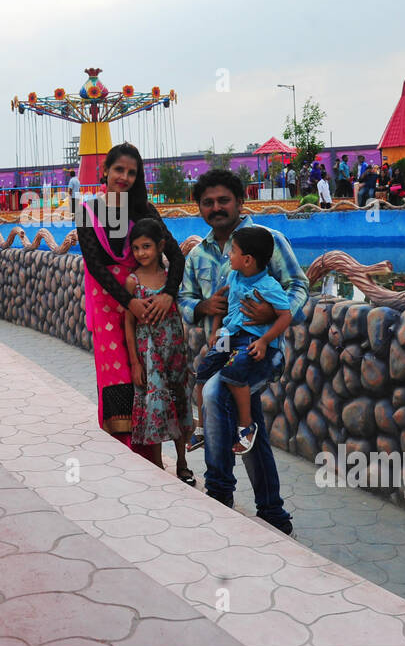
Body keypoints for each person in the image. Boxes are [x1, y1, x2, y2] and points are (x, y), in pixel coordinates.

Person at [177, 169, 306, 534]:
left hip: (259, 351)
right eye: (208, 202)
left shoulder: (268, 240)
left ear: (239, 202)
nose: (216, 208)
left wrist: (271, 313)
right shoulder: (197, 255)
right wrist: (203, 307)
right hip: (222, 347)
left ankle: (220, 492)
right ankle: (272, 511)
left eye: (224, 200)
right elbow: (184, 299)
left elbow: (298, 285)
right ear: (199, 208)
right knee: (246, 425)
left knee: (216, 394)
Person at [76, 143, 184, 454]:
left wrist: (168, 294)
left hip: (146, 305)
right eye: (119, 170)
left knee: (146, 378)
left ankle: (151, 459)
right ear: (105, 171)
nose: (124, 177)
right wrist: (129, 302)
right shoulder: (87, 213)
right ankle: (126, 455)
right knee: (119, 379)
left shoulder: (144, 211)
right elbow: (95, 267)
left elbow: (176, 256)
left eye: (132, 172)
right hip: (109, 304)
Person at [193, 226, 294, 455]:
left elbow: (285, 316)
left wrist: (265, 341)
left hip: (251, 338)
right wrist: (215, 331)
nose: (229, 255)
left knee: (234, 373)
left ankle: (246, 426)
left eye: (233, 251)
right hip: (229, 335)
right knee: (203, 372)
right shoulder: (234, 277)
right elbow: (224, 303)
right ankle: (201, 427)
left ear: (247, 260)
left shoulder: (269, 286)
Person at [123, 217, 195, 483]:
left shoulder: (170, 280)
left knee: (179, 401)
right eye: (136, 248)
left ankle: (182, 462)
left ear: (160, 246)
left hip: (174, 352)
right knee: (155, 405)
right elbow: (128, 323)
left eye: (147, 247)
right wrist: (135, 362)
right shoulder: (133, 282)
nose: (141, 253)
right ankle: (157, 464)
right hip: (149, 354)